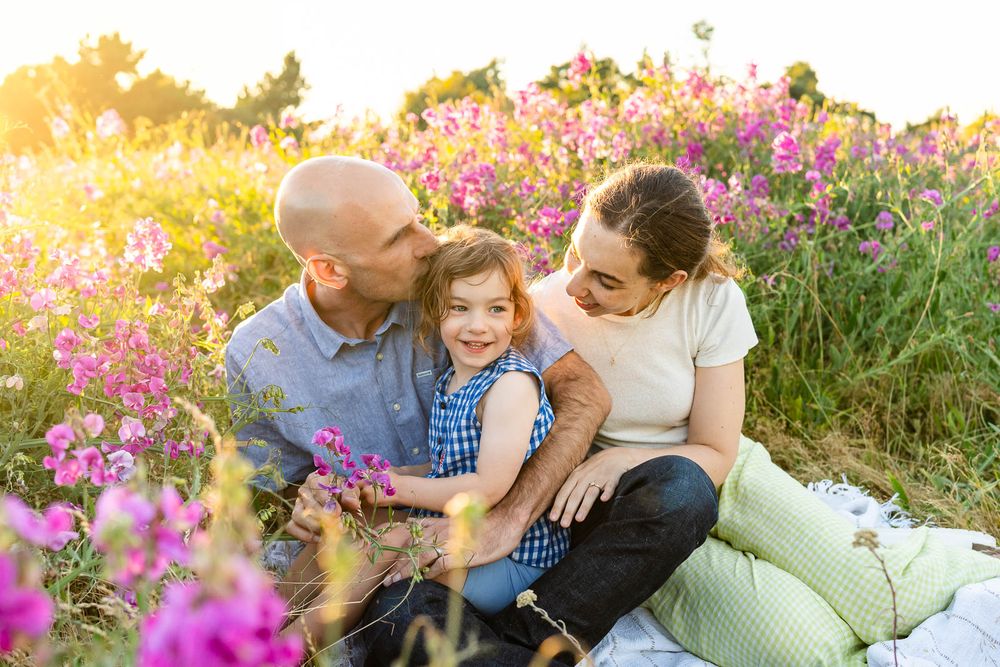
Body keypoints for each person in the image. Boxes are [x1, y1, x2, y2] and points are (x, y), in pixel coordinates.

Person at [355, 163, 1000, 666]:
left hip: (715, 469)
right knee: (801, 648)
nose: (575, 284)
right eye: (576, 255)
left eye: (606, 280)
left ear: (668, 281)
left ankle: (962, 557)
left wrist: (620, 456)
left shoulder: (711, 301)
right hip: (627, 512)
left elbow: (716, 451)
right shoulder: (542, 306)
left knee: (882, 596)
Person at [280, 225, 571, 638]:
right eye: (459, 308)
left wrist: (397, 489)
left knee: (394, 538)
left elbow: (487, 488)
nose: (478, 325)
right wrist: (381, 480)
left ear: (517, 314)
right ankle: (272, 612)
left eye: (496, 309)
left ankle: (291, 648)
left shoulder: (510, 386)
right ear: (435, 313)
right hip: (463, 534)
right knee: (353, 518)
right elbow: (447, 466)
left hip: (513, 563)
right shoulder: (452, 379)